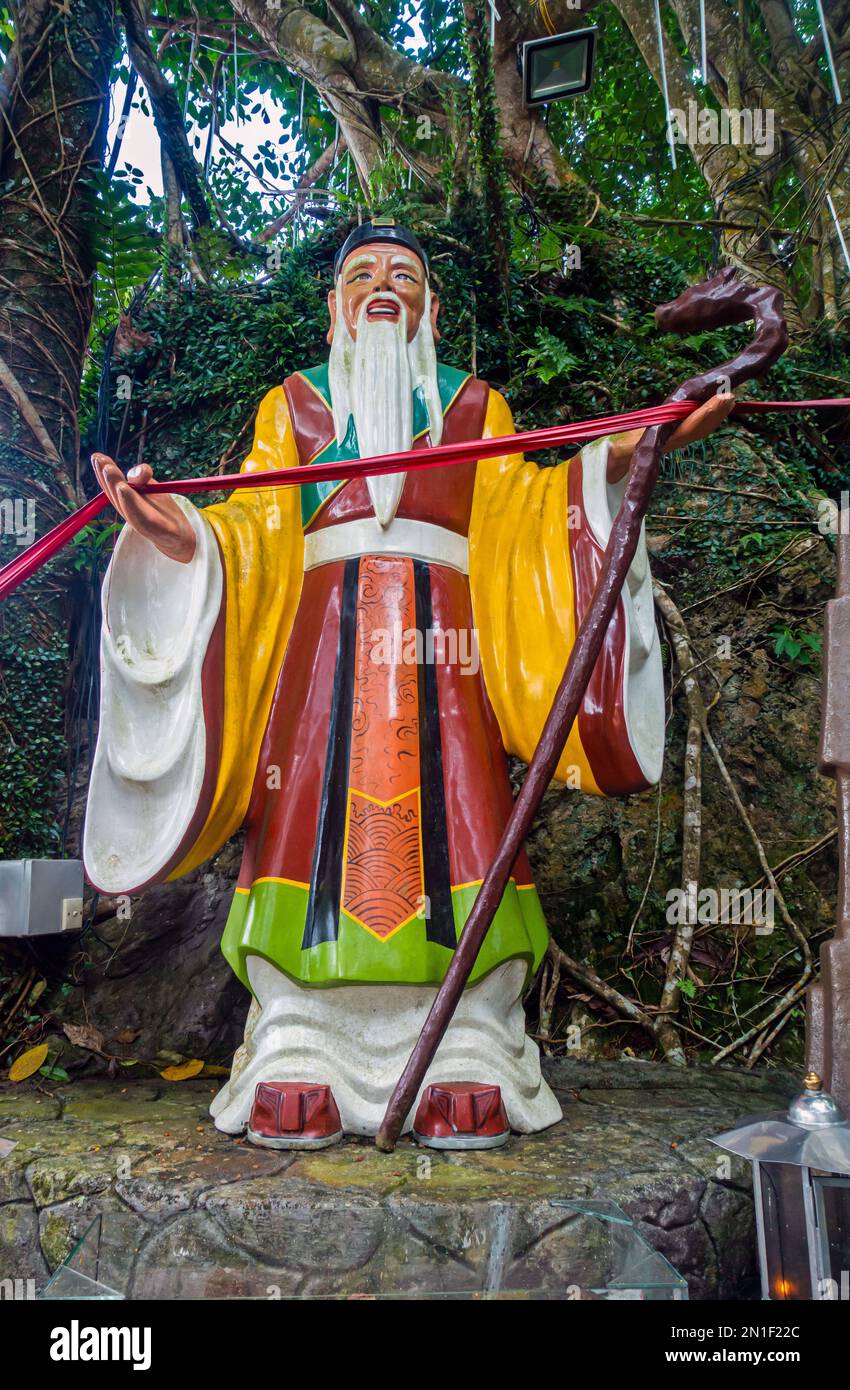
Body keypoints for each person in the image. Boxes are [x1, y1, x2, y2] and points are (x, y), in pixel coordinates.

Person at [85, 218, 734, 1150]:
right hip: (325, 651)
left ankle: (468, 1037)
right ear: (335, 306)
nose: (382, 286)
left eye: (403, 275)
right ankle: (298, 1033)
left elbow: (527, 514)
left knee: (461, 812)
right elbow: (255, 525)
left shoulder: (478, 408)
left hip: (449, 651)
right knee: (308, 822)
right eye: (361, 275)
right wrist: (179, 532)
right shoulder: (295, 407)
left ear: (430, 305)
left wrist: (629, 451)